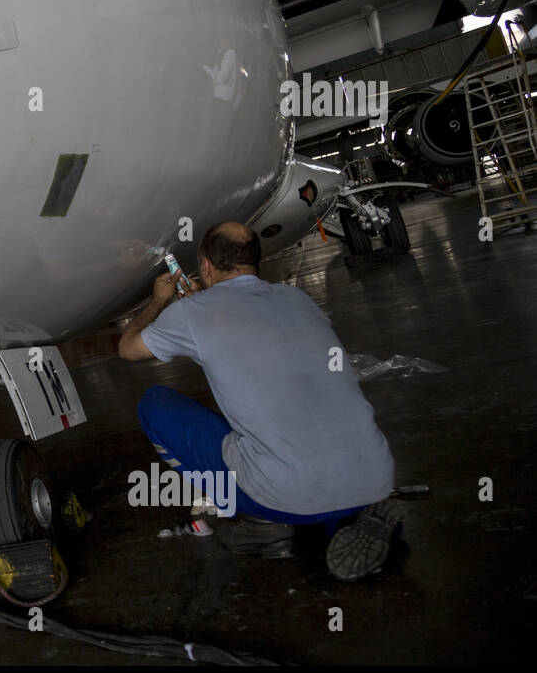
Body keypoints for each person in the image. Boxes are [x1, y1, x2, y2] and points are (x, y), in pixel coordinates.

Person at [117, 221, 401, 580]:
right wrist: (201, 309)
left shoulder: (191, 314)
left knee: (154, 405)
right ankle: (349, 509)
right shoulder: (296, 298)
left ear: (205, 266)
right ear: (257, 261)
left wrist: (160, 301)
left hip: (283, 493)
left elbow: (128, 349)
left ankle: (262, 520)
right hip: (376, 473)